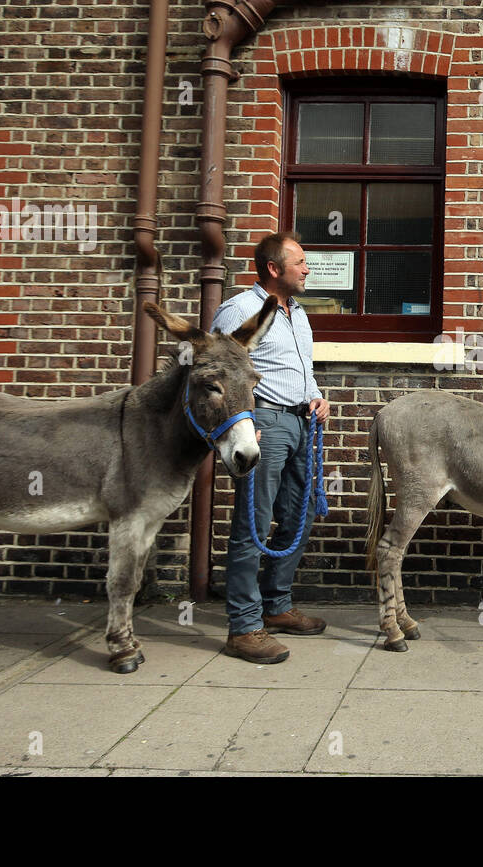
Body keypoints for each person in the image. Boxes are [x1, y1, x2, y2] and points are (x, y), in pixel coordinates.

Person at [210, 231, 331, 663]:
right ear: (274, 269)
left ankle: (276, 606)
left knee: (299, 517)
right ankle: (243, 627)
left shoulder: (298, 313)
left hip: (301, 424)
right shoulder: (239, 311)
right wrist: (240, 425)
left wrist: (317, 395)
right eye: (300, 262)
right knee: (253, 526)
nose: (307, 269)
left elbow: (304, 369)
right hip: (265, 425)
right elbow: (218, 374)